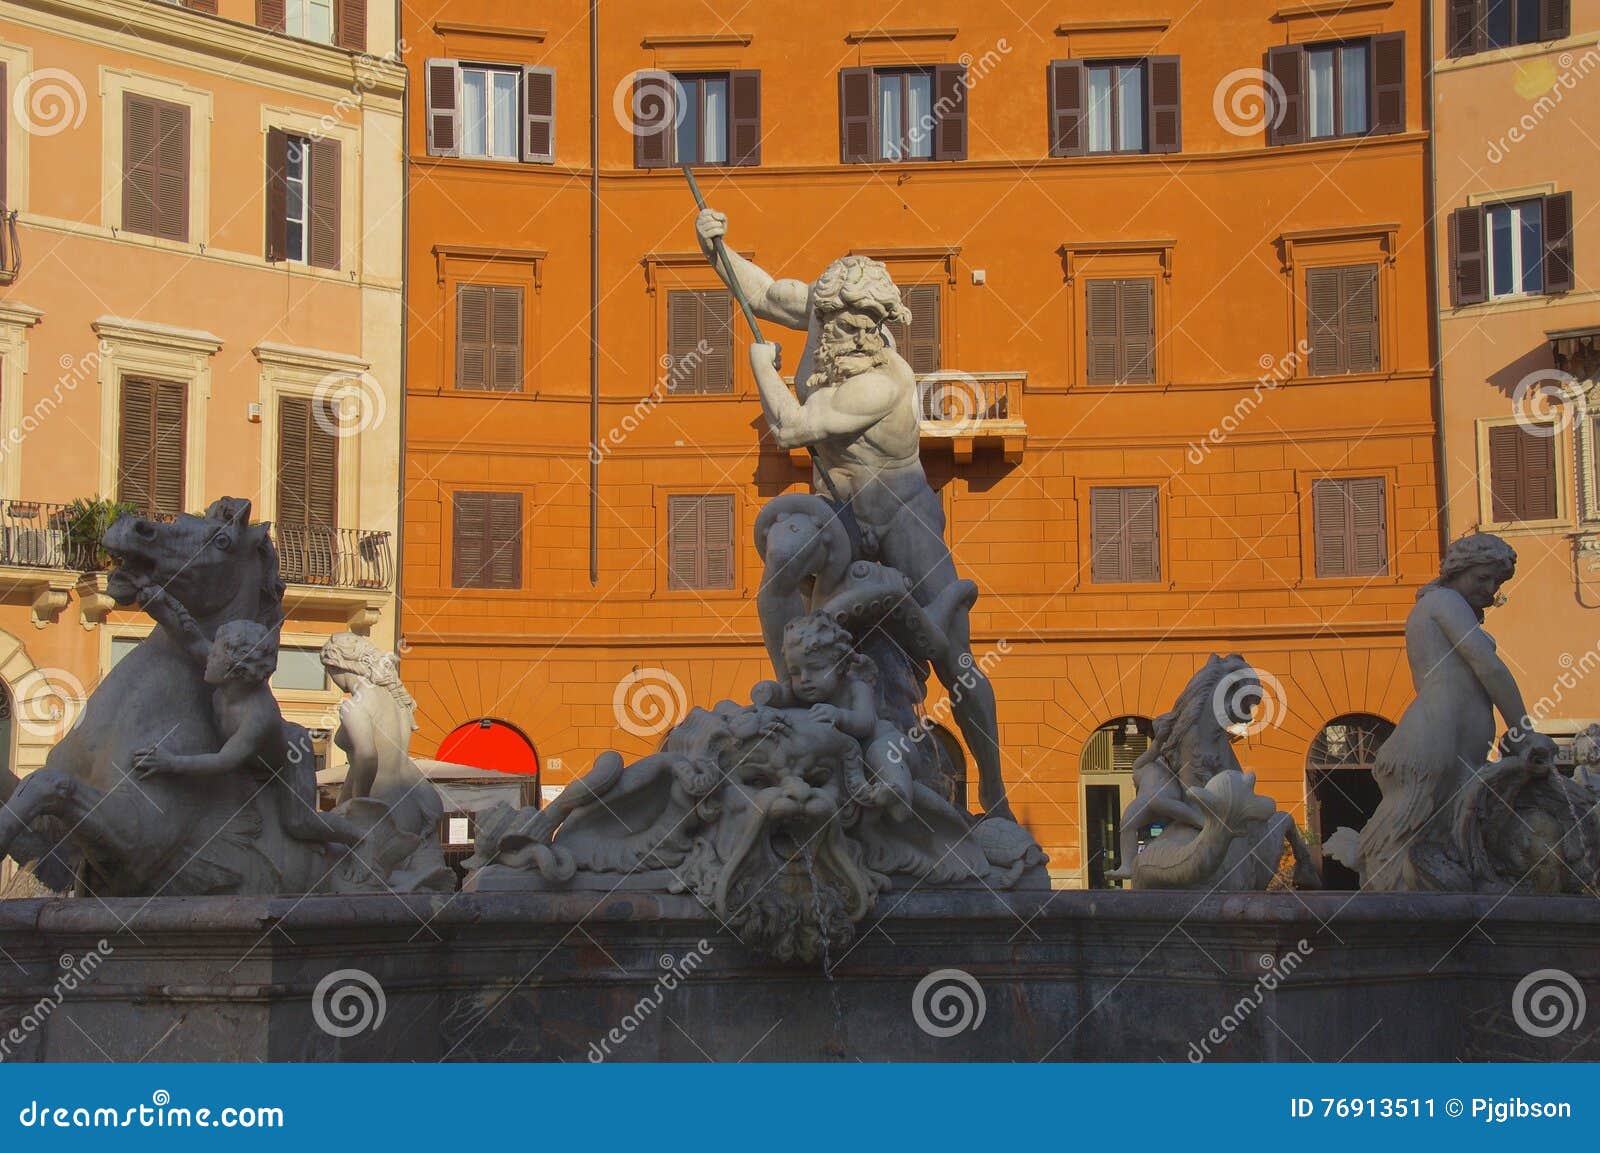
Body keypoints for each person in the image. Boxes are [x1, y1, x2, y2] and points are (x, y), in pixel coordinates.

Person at [695, 205, 1013, 819]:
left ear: (884, 326)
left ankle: (993, 784)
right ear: (826, 311)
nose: (855, 336)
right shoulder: (820, 313)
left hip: (901, 513)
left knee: (953, 656)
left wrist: (764, 371)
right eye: (843, 322)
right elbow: (759, 293)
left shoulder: (882, 382)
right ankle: (794, 689)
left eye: (868, 325)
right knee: (780, 580)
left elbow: (790, 429)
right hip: (834, 511)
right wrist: (717, 248)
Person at [1353, 533, 1557, 890]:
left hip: (1453, 742)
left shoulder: (1446, 605)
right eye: (1482, 578)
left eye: (1497, 581)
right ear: (1457, 571)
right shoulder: (1444, 600)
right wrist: (1522, 730)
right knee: (1408, 834)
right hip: (1435, 738)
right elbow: (1487, 666)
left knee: (1442, 836)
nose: (1490, 588)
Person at [130, 587, 361, 852]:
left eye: (215, 655)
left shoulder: (257, 715)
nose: (208, 657)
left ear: (235, 667)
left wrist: (170, 763)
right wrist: (158, 603)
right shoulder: (230, 678)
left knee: (300, 823)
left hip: (289, 759)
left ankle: (359, 838)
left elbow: (222, 761)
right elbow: (191, 638)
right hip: (250, 757)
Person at [757, 612, 912, 819]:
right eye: (795, 671)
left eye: (815, 668)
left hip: (889, 743)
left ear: (840, 665)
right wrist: (769, 693)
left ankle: (898, 797)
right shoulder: (802, 691)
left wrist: (840, 715)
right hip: (847, 760)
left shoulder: (856, 687)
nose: (804, 679)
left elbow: (866, 723)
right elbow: (782, 696)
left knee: (882, 753)